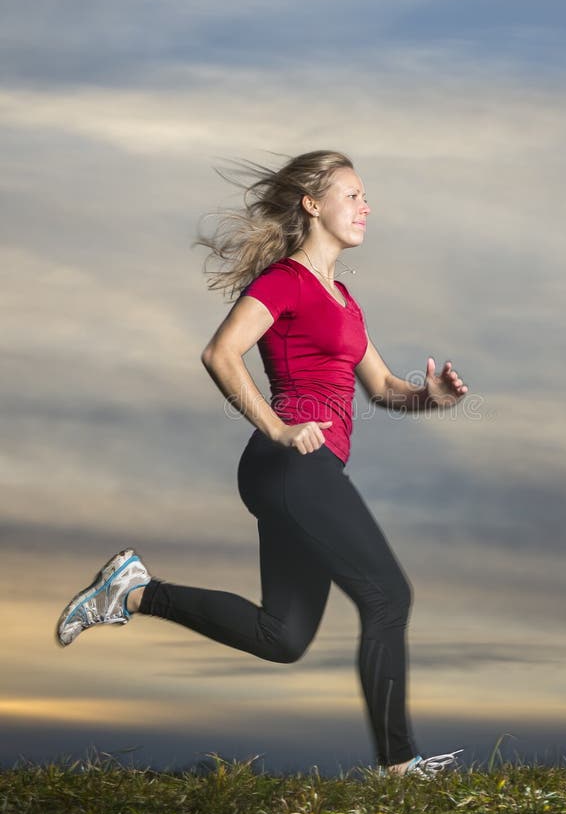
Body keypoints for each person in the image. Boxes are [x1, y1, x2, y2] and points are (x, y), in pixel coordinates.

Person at [56, 150, 468, 777]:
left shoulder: (344, 298)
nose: (366, 207)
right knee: (388, 596)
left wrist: (428, 398)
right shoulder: (286, 281)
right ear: (312, 204)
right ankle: (399, 767)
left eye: (365, 197)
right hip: (289, 467)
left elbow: (382, 386)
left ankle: (134, 591)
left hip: (307, 474)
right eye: (352, 195)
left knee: (283, 637)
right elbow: (220, 353)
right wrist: (278, 426)